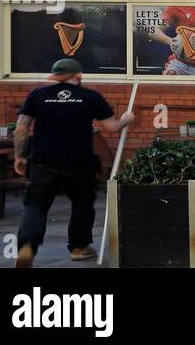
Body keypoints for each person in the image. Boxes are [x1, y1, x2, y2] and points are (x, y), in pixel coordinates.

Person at [12, 57, 134, 267]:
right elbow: (112, 127)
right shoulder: (90, 97)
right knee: (82, 205)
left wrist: (20, 155)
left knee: (36, 206)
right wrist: (127, 119)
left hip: (43, 163)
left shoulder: (38, 95)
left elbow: (21, 127)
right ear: (78, 75)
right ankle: (79, 248)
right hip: (80, 164)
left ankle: (27, 247)